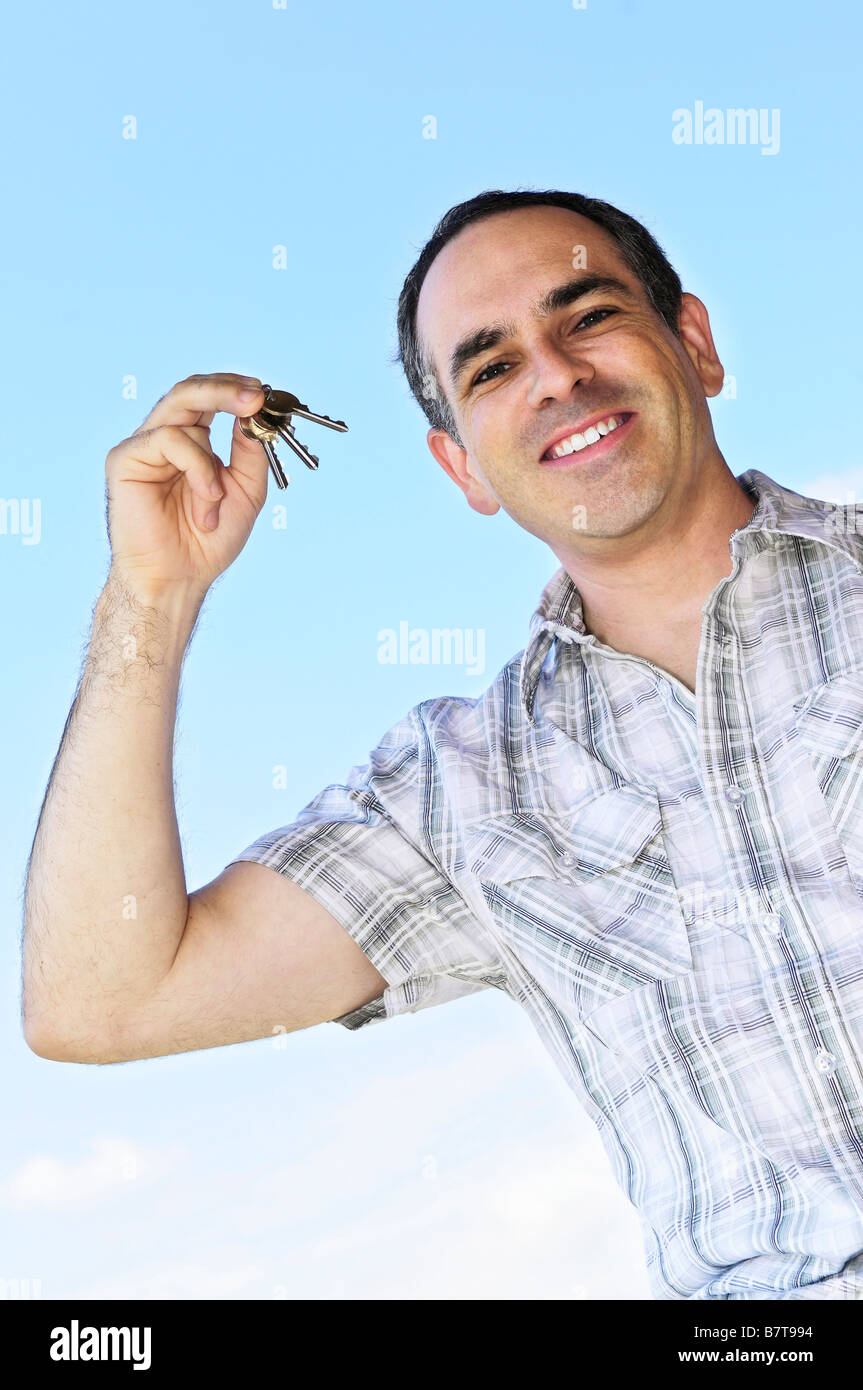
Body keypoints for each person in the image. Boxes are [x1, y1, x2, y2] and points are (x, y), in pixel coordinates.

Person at [21, 189, 863, 1301]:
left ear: (693, 343)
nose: (556, 375)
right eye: (490, 368)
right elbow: (99, 998)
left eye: (588, 314)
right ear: (461, 466)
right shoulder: (462, 789)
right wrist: (151, 596)